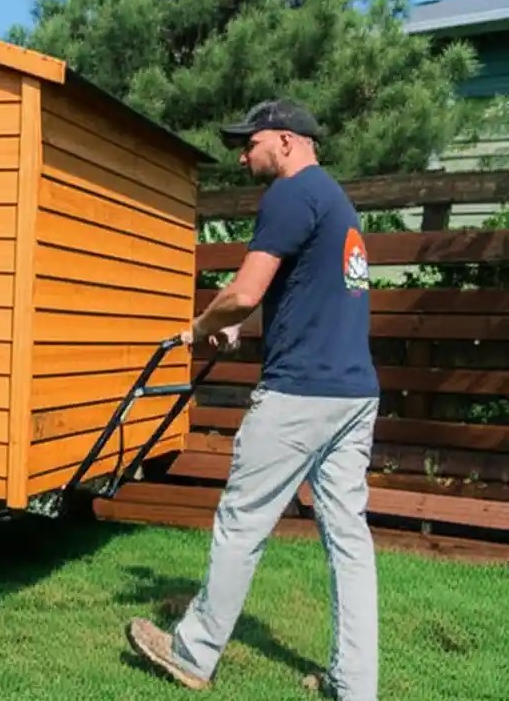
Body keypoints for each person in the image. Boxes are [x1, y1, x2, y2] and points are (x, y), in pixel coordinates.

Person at [124, 100, 381, 701]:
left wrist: (198, 327)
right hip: (354, 394)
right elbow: (305, 297)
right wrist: (244, 323)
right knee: (348, 539)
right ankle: (355, 684)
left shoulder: (288, 196)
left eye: (251, 142)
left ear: (286, 141)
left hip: (299, 395)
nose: (242, 154)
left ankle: (192, 651)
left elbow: (243, 291)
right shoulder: (338, 204)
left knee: (242, 521)